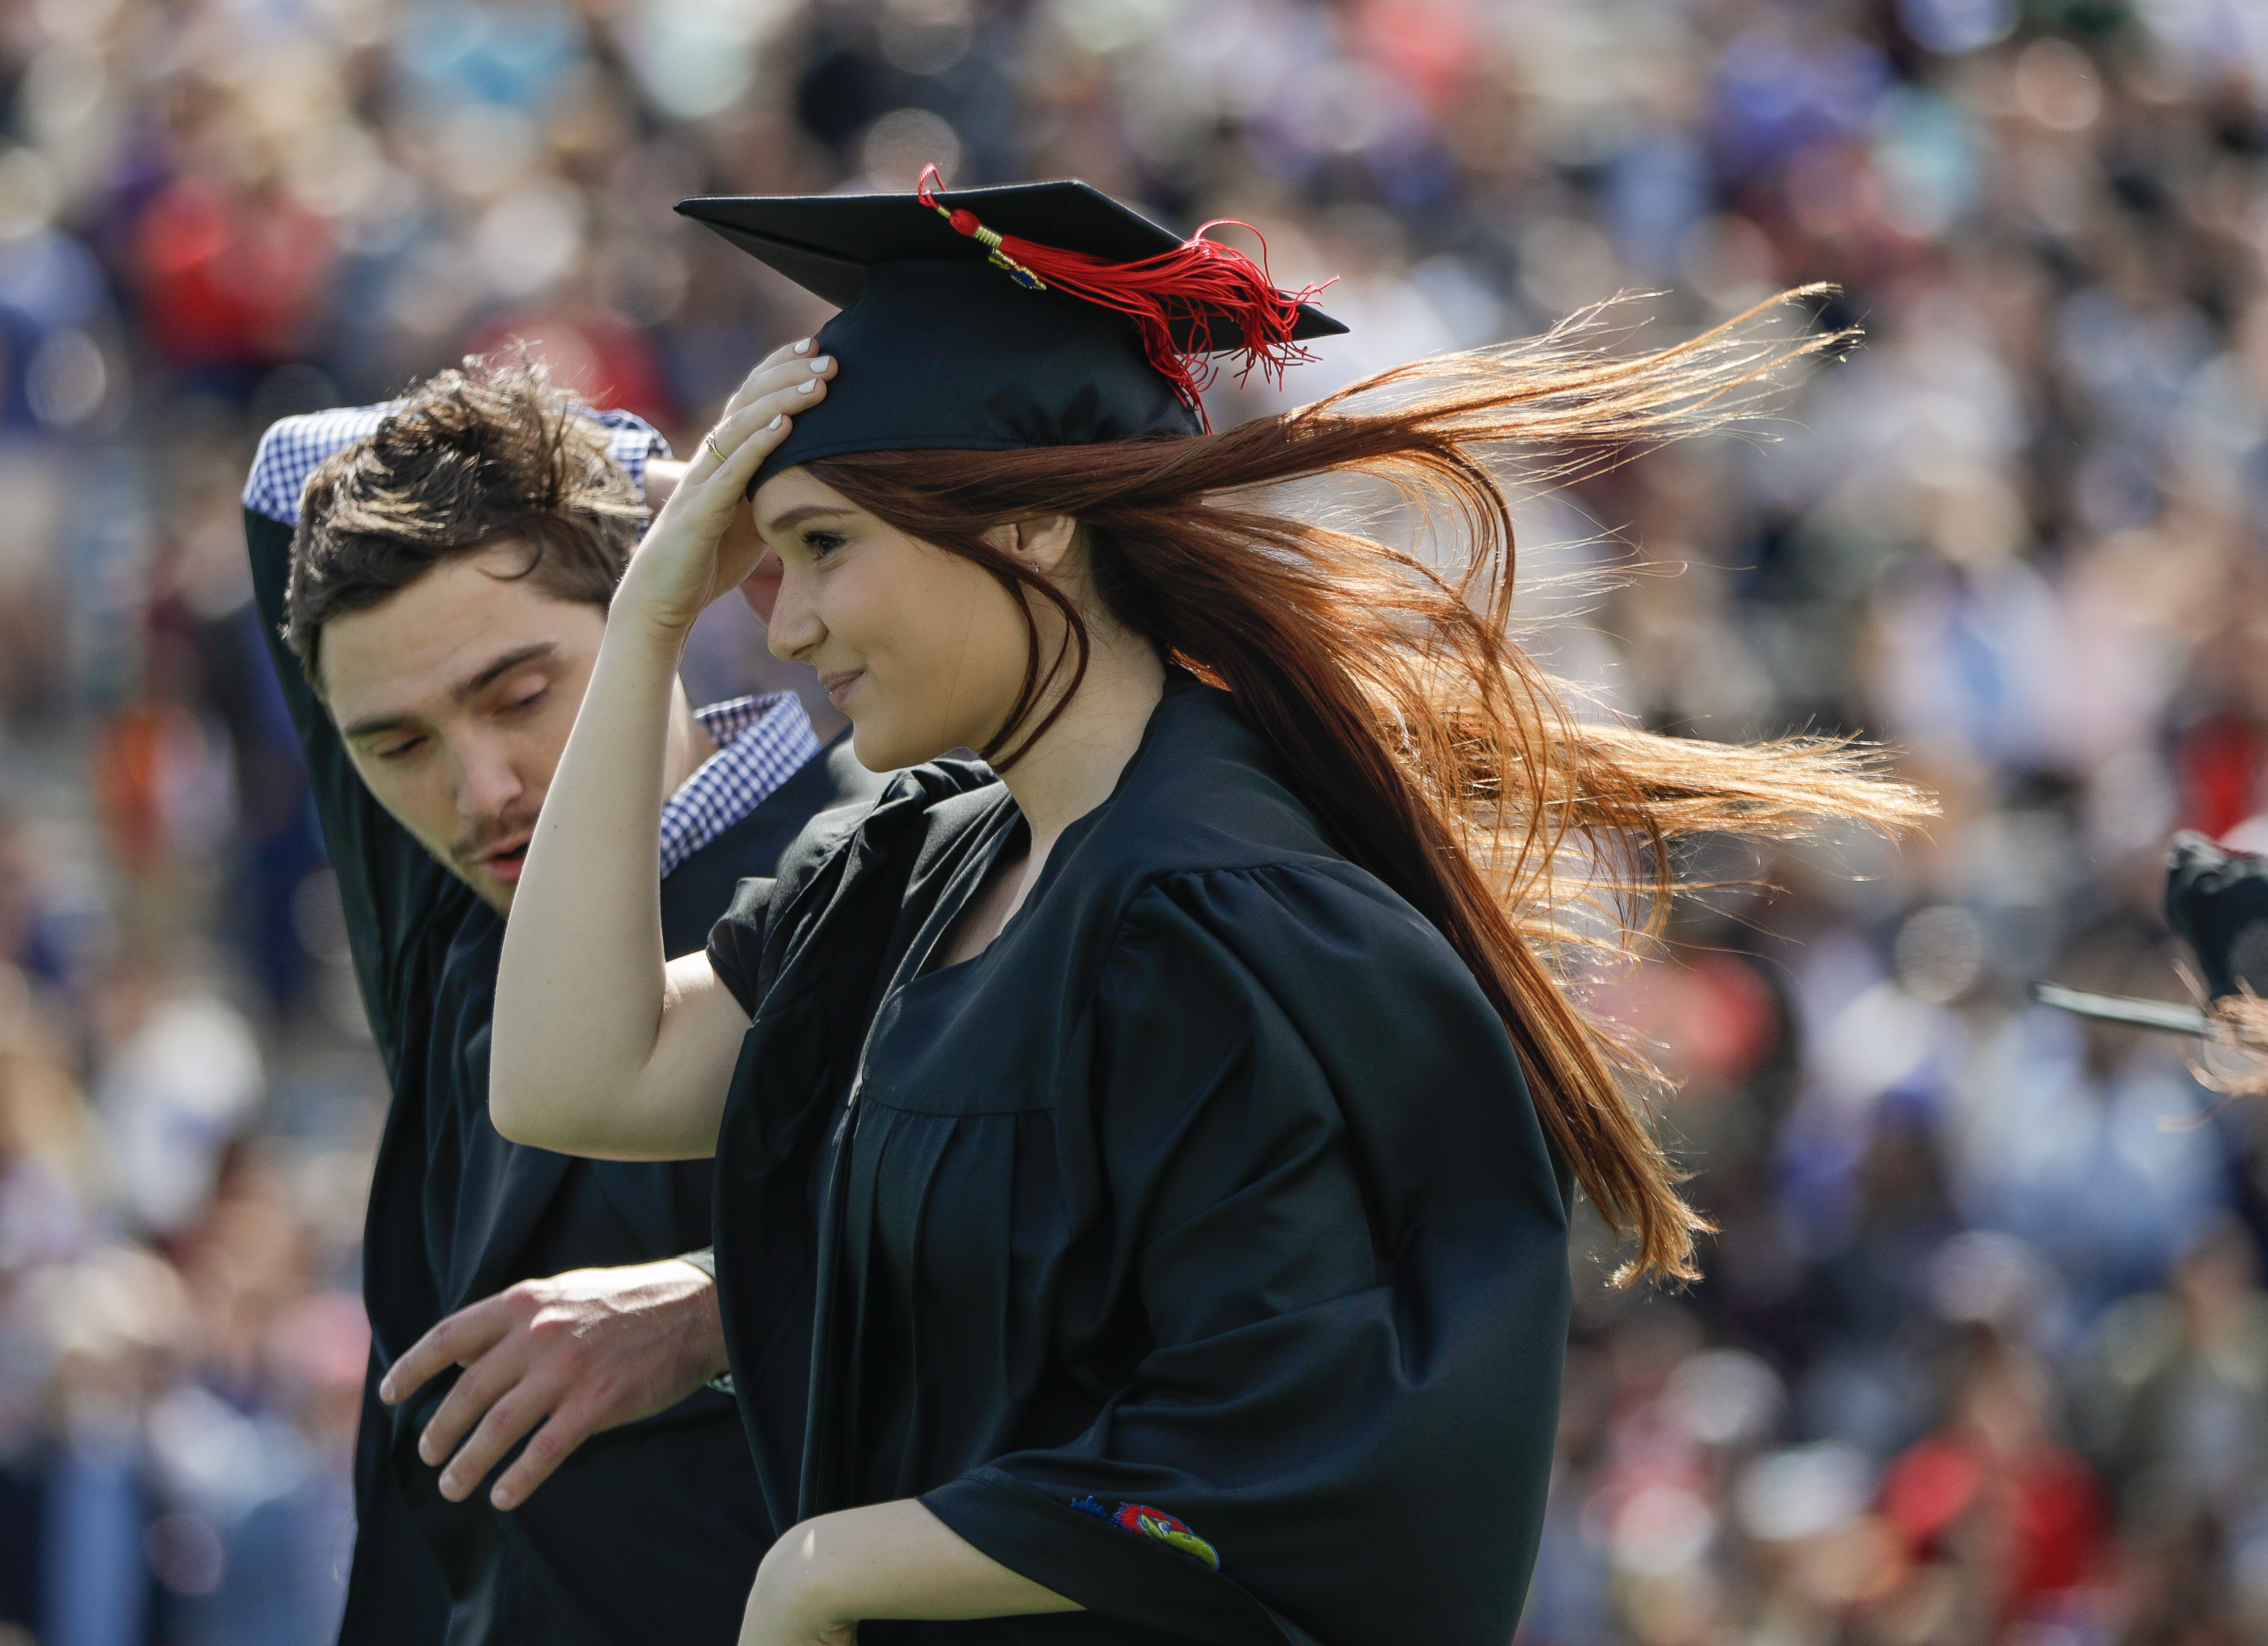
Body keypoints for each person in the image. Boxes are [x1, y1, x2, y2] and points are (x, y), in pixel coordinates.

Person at [486, 178, 1933, 1646]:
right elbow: (568, 1076)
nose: (786, 624)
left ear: (1032, 521)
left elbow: (1293, 1447)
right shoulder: (918, 870)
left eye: (824, 547)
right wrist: (647, 618)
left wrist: (828, 1569)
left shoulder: (1218, 919)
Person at [240, 361, 886, 1646]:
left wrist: (711, 1310)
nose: (479, 787)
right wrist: (657, 486)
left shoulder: (895, 859)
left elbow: (1035, 1242)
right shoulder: (461, 920)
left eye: (521, 696)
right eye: (397, 746)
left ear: (652, 609)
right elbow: (281, 489)